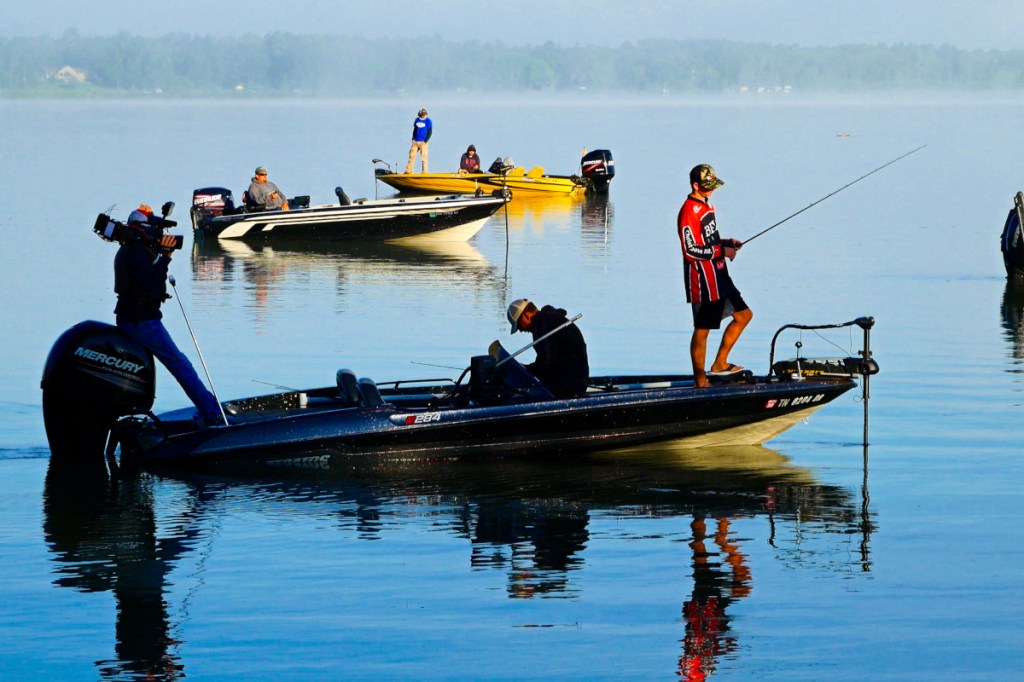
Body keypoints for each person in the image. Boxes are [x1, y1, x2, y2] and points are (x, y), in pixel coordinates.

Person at [114, 205, 225, 428]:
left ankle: (210, 406)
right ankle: (211, 413)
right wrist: (165, 257)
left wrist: (161, 257)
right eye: (154, 227)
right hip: (141, 321)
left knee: (178, 362)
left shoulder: (130, 249)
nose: (158, 233)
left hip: (136, 318)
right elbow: (149, 285)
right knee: (179, 363)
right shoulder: (136, 252)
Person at [677, 164, 753, 389]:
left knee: (744, 316)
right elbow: (690, 250)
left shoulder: (708, 205)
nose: (711, 189)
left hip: (720, 274)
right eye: (707, 186)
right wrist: (722, 251)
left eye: (713, 185)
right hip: (703, 280)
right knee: (703, 329)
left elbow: (708, 239)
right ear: (695, 185)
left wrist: (727, 242)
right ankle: (700, 379)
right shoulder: (688, 211)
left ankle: (720, 363)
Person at [507, 298, 589, 398]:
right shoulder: (549, 319)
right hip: (577, 380)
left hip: (567, 386)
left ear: (525, 316)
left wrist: (526, 370)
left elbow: (548, 362)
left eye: (519, 325)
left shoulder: (544, 324)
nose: (521, 330)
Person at [404, 108, 432, 174]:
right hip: (415, 141)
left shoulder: (428, 121)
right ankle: (408, 170)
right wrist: (413, 138)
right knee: (411, 156)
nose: (423, 115)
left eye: (424, 114)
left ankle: (424, 172)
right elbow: (415, 129)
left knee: (424, 157)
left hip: (423, 142)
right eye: (422, 114)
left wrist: (426, 140)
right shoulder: (416, 120)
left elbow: (430, 131)